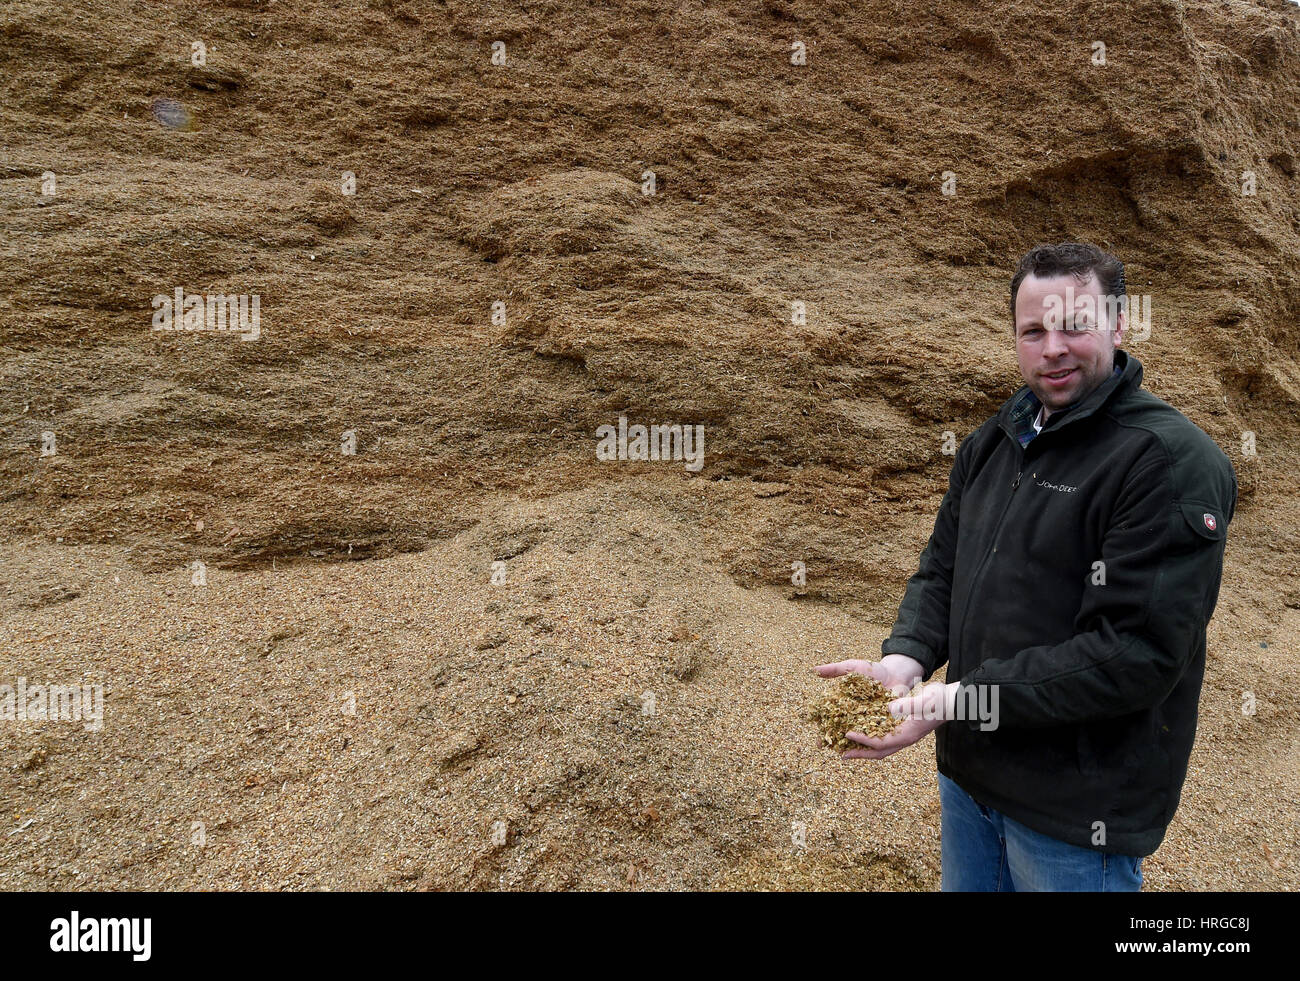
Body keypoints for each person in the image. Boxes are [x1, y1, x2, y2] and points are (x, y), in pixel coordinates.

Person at [816, 242, 1237, 891]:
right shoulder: (996, 439)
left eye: (1073, 325)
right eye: (1033, 330)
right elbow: (942, 569)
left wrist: (952, 700)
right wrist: (905, 659)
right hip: (971, 782)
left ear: (1118, 325)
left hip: (1075, 813)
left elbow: (1130, 654)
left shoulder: (1168, 462)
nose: (1052, 349)